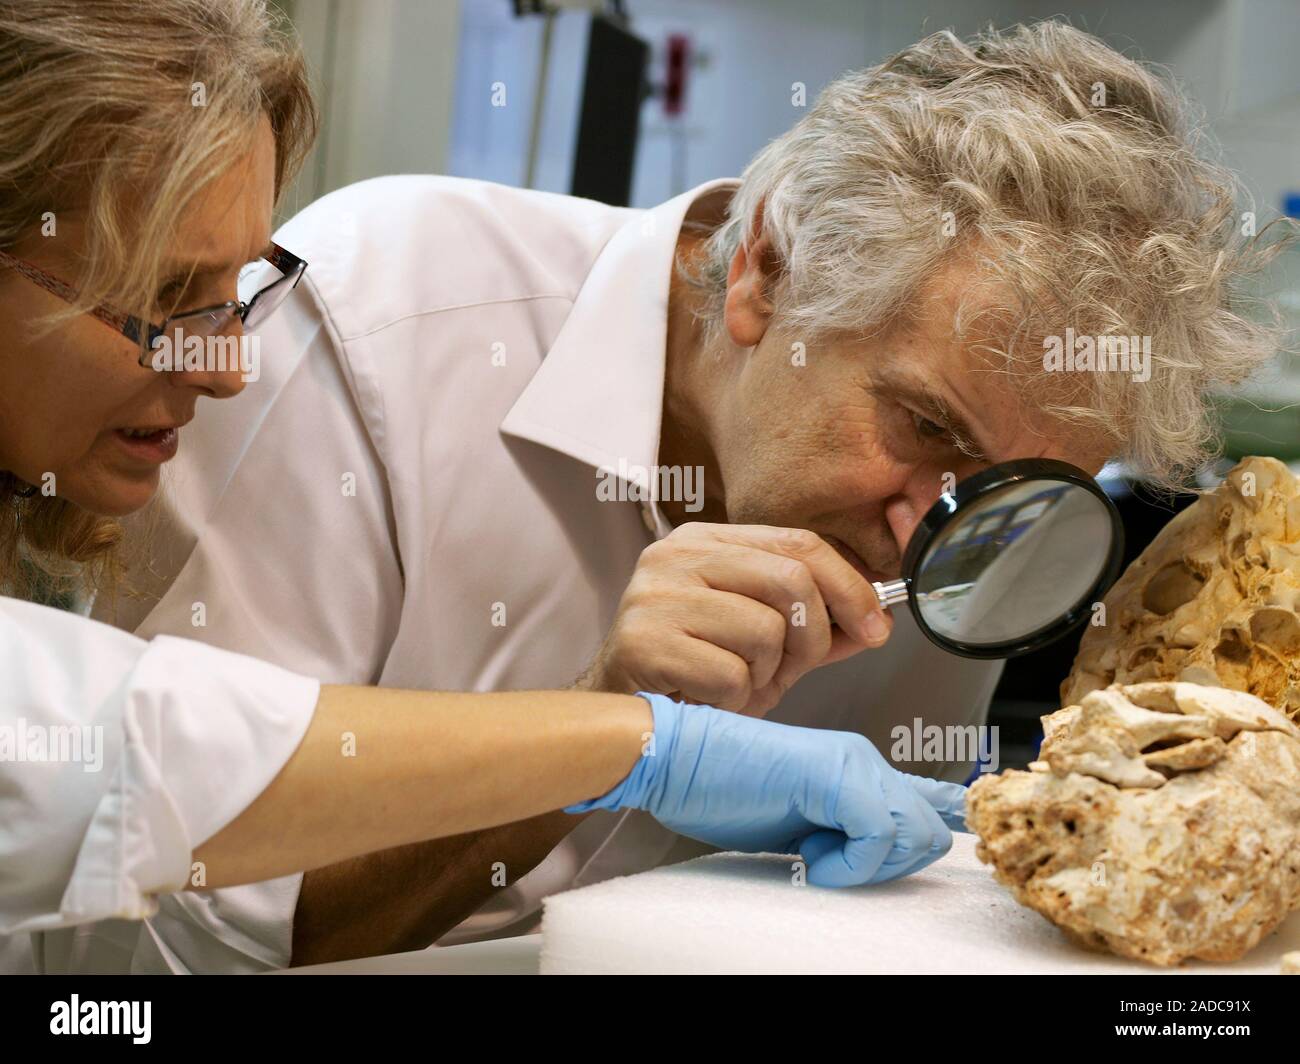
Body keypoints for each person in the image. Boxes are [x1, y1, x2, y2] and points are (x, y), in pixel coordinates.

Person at [96, 18, 1284, 970]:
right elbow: (179, 924)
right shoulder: (384, 322)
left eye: (1011, 489)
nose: (934, 533)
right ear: (766, 271)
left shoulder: (968, 523)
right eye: (922, 425)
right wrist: (599, 727)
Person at [0, 0, 965, 975]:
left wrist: (624, 737)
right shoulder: (396, 306)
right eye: (165, 298)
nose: (228, 369)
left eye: (237, 290)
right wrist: (634, 738)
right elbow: (144, 788)